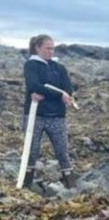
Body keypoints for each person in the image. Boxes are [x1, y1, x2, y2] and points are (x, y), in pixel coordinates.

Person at [22, 34, 77, 189]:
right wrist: (60, 95)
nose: (51, 51)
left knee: (62, 151)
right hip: (35, 115)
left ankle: (71, 187)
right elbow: (34, 85)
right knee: (31, 151)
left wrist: (63, 94)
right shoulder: (31, 65)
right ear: (37, 47)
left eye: (53, 48)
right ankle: (26, 186)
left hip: (57, 116)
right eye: (47, 48)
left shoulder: (59, 67)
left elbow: (68, 88)